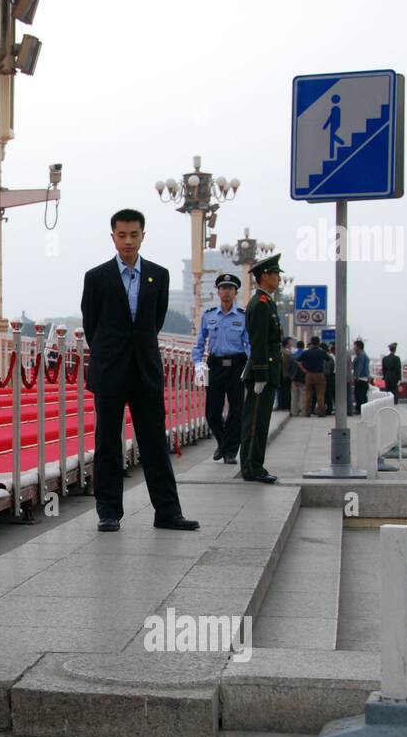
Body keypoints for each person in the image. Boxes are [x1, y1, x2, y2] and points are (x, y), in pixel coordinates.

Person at [81, 209, 199, 531]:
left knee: (154, 443)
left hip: (145, 370)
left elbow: (154, 322)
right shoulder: (97, 277)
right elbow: (92, 325)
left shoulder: (158, 276)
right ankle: (108, 511)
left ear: (143, 236)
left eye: (134, 235)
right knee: (108, 442)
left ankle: (168, 512)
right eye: (122, 235)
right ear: (113, 237)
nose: (128, 241)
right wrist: (112, 354)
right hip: (110, 371)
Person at [192, 272, 250, 464]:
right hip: (215, 365)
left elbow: (248, 343)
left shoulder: (243, 316)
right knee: (212, 411)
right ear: (218, 292)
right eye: (223, 288)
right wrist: (198, 363)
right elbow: (200, 342)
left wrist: (251, 365)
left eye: (230, 289)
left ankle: (230, 451)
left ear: (235, 293)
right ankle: (223, 442)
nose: (226, 292)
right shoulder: (208, 316)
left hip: (237, 365)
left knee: (236, 409)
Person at [238, 255, 285, 483]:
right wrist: (261, 374)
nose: (278, 278)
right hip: (261, 372)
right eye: (275, 274)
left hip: (267, 370)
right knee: (255, 422)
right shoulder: (260, 304)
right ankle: (251, 467)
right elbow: (259, 342)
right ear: (264, 276)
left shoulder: (267, 302)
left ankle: (255, 464)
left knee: (261, 421)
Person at [295, 337, 329, 417]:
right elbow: (328, 360)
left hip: (309, 375)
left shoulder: (307, 352)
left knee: (308, 395)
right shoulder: (322, 352)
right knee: (320, 395)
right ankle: (321, 413)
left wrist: (304, 370)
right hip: (320, 375)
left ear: (311, 342)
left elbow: (297, 360)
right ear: (318, 343)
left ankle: (307, 413)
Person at [351, 339, 371, 413]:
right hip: (363, 379)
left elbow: (360, 366)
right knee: (360, 395)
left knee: (360, 395)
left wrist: (357, 376)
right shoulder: (361, 355)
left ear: (359, 347)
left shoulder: (361, 356)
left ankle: (361, 410)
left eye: (355, 346)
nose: (354, 348)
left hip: (361, 379)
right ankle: (361, 409)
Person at [278, 336, 295, 414]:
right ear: (287, 343)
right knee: (287, 391)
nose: (292, 343)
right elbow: (292, 365)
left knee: (280, 391)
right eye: (291, 341)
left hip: (280, 375)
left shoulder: (280, 351)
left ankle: (281, 405)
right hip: (286, 374)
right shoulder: (287, 353)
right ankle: (286, 406)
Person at [290, 339, 306, 416]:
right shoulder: (305, 355)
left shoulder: (293, 355)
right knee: (303, 396)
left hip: (294, 379)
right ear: (303, 346)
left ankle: (294, 412)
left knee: (294, 397)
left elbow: (291, 368)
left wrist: (293, 379)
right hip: (303, 379)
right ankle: (303, 412)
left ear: (297, 346)